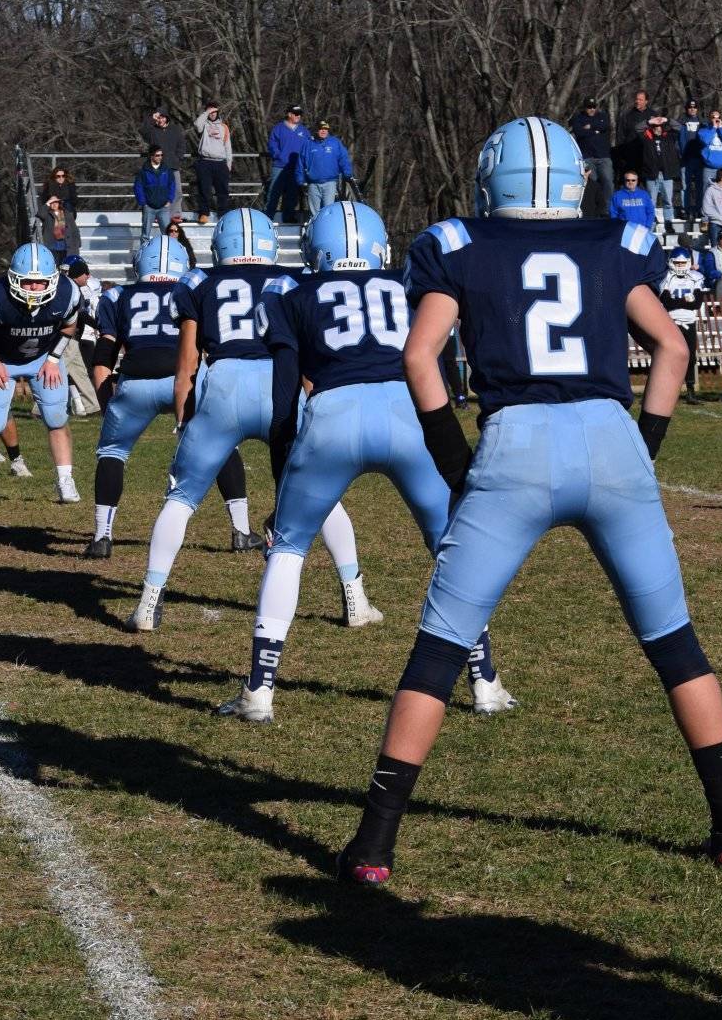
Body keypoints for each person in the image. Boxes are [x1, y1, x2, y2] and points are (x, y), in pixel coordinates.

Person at [335, 117, 722, 886]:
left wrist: (458, 467)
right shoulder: (614, 241)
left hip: (517, 443)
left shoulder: (458, 243)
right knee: (675, 643)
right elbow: (673, 347)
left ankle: (374, 844)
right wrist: (642, 448)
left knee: (439, 649)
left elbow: (420, 356)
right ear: (575, 180)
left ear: (490, 179)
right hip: (609, 437)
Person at [215, 199, 514, 724]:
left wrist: (283, 466)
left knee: (288, 548)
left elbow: (284, 394)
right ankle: (485, 682)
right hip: (407, 415)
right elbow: (439, 357)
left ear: (317, 247)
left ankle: (259, 691)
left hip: (332, 417)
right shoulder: (408, 285)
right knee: (450, 546)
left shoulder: (289, 292)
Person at [124, 207, 377, 633]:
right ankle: (355, 597)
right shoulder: (294, 279)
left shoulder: (199, 281)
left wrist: (185, 415)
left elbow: (187, 363)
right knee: (321, 492)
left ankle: (149, 603)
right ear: (271, 243)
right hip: (282, 384)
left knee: (181, 497)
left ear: (219, 245)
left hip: (225, 386)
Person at [86, 235, 188, 558]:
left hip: (135, 382)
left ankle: (102, 536)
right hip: (181, 380)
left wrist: (108, 407)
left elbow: (103, 357)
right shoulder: (193, 290)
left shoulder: (117, 295)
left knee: (112, 451)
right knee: (219, 445)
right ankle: (241, 529)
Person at [0, 243, 82, 506]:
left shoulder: (67, 293)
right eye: (27, 282)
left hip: (43, 358)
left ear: (52, 280)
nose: (33, 288)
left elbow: (68, 328)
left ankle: (66, 480)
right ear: (13, 278)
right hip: (2, 360)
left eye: (40, 282)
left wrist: (53, 359)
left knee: (56, 418)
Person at [658, 245, 706, 403]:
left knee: (690, 357)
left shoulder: (695, 277)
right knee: (670, 357)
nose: (680, 266)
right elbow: (667, 302)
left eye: (682, 263)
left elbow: (697, 304)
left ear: (688, 262)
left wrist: (677, 301)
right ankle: (666, 390)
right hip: (671, 323)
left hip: (689, 322)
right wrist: (685, 301)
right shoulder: (667, 277)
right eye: (677, 263)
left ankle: (690, 391)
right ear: (671, 262)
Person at [62, 257, 101, 416]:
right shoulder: (71, 289)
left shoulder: (72, 287)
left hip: (74, 337)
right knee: (57, 370)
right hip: (67, 337)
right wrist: (99, 325)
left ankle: (93, 407)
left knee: (80, 372)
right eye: (86, 273)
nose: (88, 276)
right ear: (78, 274)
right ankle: (39, 409)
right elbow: (82, 315)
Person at [299, 119, 355, 216]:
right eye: (321, 129)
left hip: (330, 183)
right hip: (313, 183)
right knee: (314, 213)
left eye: (325, 129)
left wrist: (347, 172)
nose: (323, 131)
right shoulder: (308, 144)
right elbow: (300, 162)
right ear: (317, 130)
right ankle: (315, 225)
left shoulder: (335, 143)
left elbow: (343, 159)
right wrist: (300, 179)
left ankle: (327, 225)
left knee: (328, 211)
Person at [265, 103, 310, 223]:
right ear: (289, 114)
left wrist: (305, 163)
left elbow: (308, 147)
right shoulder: (278, 128)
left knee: (292, 194)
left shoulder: (304, 131)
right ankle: (267, 218)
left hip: (296, 167)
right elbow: (272, 144)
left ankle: (288, 218)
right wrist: (278, 155)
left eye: (299, 114)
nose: (298, 116)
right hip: (280, 166)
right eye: (296, 114)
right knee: (273, 192)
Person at [570, 96, 614, 214]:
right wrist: (596, 129)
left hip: (603, 156)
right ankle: (592, 209)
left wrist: (590, 127)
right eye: (589, 107)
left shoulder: (603, 116)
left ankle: (607, 210)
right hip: (587, 157)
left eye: (594, 107)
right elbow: (579, 132)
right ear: (585, 107)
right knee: (591, 184)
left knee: (608, 182)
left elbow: (605, 126)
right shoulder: (578, 118)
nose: (592, 109)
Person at [193, 105, 233, 223]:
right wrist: (206, 112)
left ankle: (223, 214)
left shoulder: (224, 127)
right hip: (205, 161)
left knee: (223, 190)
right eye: (210, 111)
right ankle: (204, 213)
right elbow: (197, 125)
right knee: (204, 189)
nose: (212, 113)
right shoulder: (204, 125)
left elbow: (228, 146)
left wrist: (229, 163)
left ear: (218, 112)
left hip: (220, 163)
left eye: (214, 111)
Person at [133, 148, 179, 245]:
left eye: (161, 155)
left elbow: (172, 185)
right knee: (145, 234)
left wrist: (169, 200)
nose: (160, 157)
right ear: (151, 156)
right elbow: (138, 187)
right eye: (157, 155)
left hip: (163, 207)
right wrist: (143, 203)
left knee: (168, 233)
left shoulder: (167, 170)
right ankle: (143, 251)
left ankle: (170, 250)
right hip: (149, 207)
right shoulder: (143, 171)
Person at [640, 111, 680, 221]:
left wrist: (666, 119)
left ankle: (669, 223)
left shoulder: (669, 137)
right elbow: (637, 128)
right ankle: (651, 222)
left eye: (659, 126)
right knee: (651, 202)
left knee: (668, 201)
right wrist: (649, 121)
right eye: (655, 126)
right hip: (651, 175)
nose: (657, 128)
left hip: (666, 174)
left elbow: (678, 127)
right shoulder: (646, 137)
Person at [140, 108, 186, 177]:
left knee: (175, 184)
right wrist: (152, 118)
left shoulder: (175, 129)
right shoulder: (152, 131)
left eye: (163, 118)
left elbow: (182, 144)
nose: (160, 120)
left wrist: (177, 158)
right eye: (158, 118)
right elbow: (143, 131)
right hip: (156, 167)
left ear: (167, 118)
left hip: (173, 166)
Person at [615, 89, 650, 179]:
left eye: (640, 100)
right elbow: (620, 136)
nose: (637, 101)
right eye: (636, 99)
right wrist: (621, 153)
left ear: (646, 101)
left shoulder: (652, 115)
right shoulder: (627, 115)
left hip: (648, 154)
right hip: (630, 154)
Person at [677, 100, 704, 220]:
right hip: (685, 159)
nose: (692, 109)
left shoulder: (703, 123)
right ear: (686, 109)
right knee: (685, 186)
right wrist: (679, 154)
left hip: (700, 159)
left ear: (697, 109)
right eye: (690, 107)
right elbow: (676, 141)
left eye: (694, 107)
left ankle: (699, 209)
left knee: (700, 186)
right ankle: (685, 209)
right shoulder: (681, 122)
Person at [41, 191, 81, 266]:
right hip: (52, 243)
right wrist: (47, 203)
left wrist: (78, 242)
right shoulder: (46, 214)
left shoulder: (67, 214)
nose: (54, 204)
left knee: (65, 264)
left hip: (65, 242)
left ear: (59, 203)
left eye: (56, 202)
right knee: (53, 264)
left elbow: (74, 229)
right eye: (52, 202)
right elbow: (40, 214)